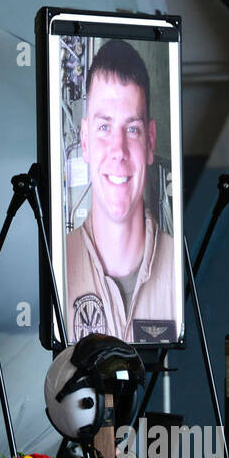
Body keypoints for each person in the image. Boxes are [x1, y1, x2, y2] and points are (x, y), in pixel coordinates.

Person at [64, 39, 175, 343]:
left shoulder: (180, 272)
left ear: (150, 141)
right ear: (84, 140)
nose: (118, 150)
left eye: (132, 129)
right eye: (104, 128)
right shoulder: (57, 267)